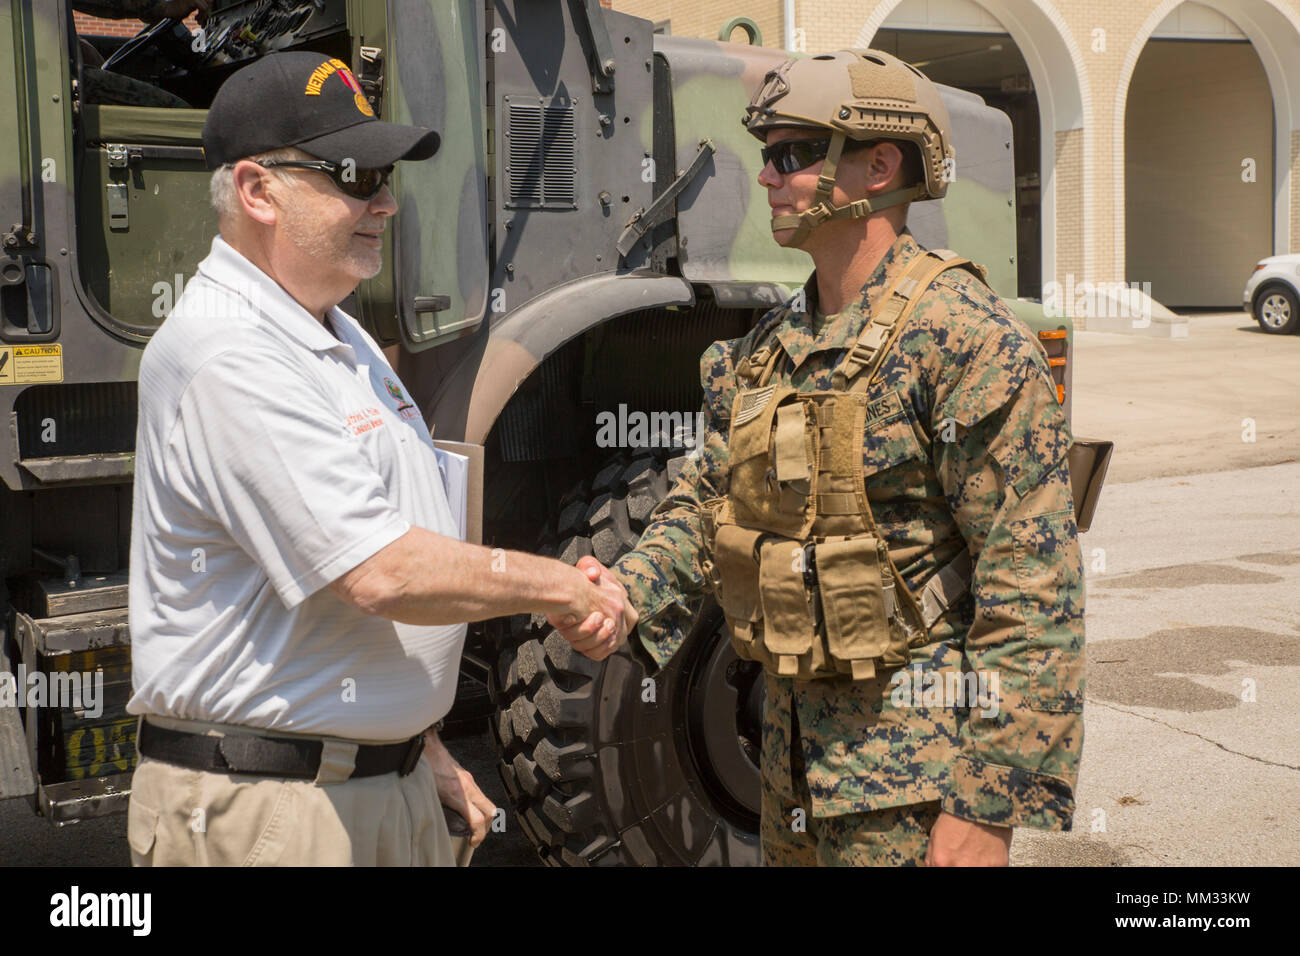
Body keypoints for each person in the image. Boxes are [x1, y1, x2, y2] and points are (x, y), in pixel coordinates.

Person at [563, 49, 1085, 866]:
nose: (766, 175)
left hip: (915, 788)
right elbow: (707, 503)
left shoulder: (965, 338)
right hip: (792, 768)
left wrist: (990, 803)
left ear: (879, 167)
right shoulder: (773, 348)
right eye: (766, 152)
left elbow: (1033, 585)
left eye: (793, 153)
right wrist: (625, 591)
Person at [126, 51, 631, 867]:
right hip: (273, 814)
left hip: (356, 788)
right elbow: (380, 572)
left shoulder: (333, 325)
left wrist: (413, 746)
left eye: (386, 176)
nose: (387, 203)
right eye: (356, 175)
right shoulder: (230, 352)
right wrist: (562, 587)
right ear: (258, 191)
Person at [73, 1, 212, 108]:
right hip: (65, 84)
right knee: (183, 116)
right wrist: (164, 7)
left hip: (67, 75)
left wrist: (75, 44)